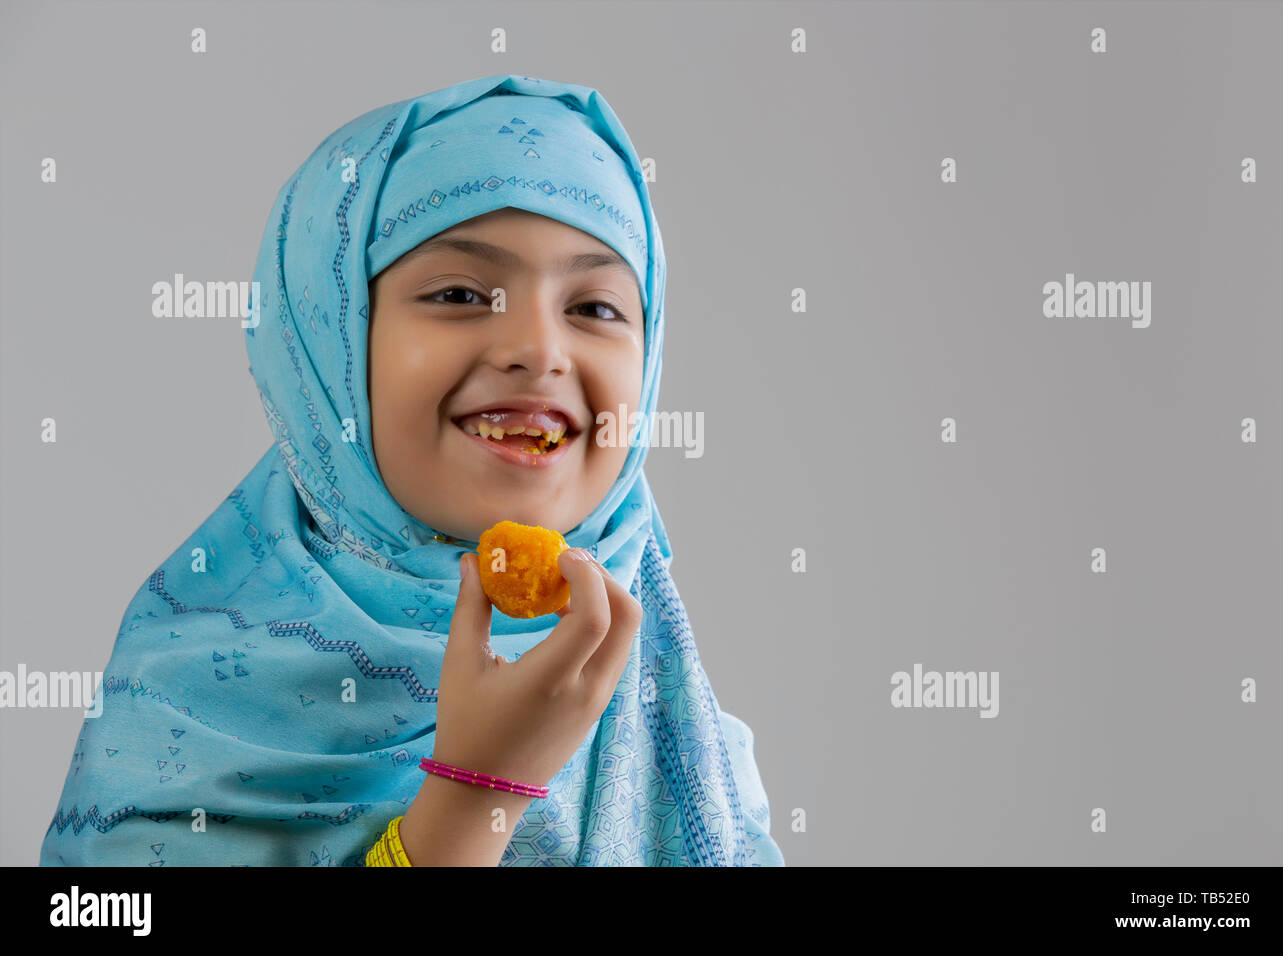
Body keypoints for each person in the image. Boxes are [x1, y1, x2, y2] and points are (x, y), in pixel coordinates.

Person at [39, 74, 783, 866]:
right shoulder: (183, 708)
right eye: (461, 294)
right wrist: (478, 795)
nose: (539, 350)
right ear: (326, 342)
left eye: (594, 308)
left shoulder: (690, 738)